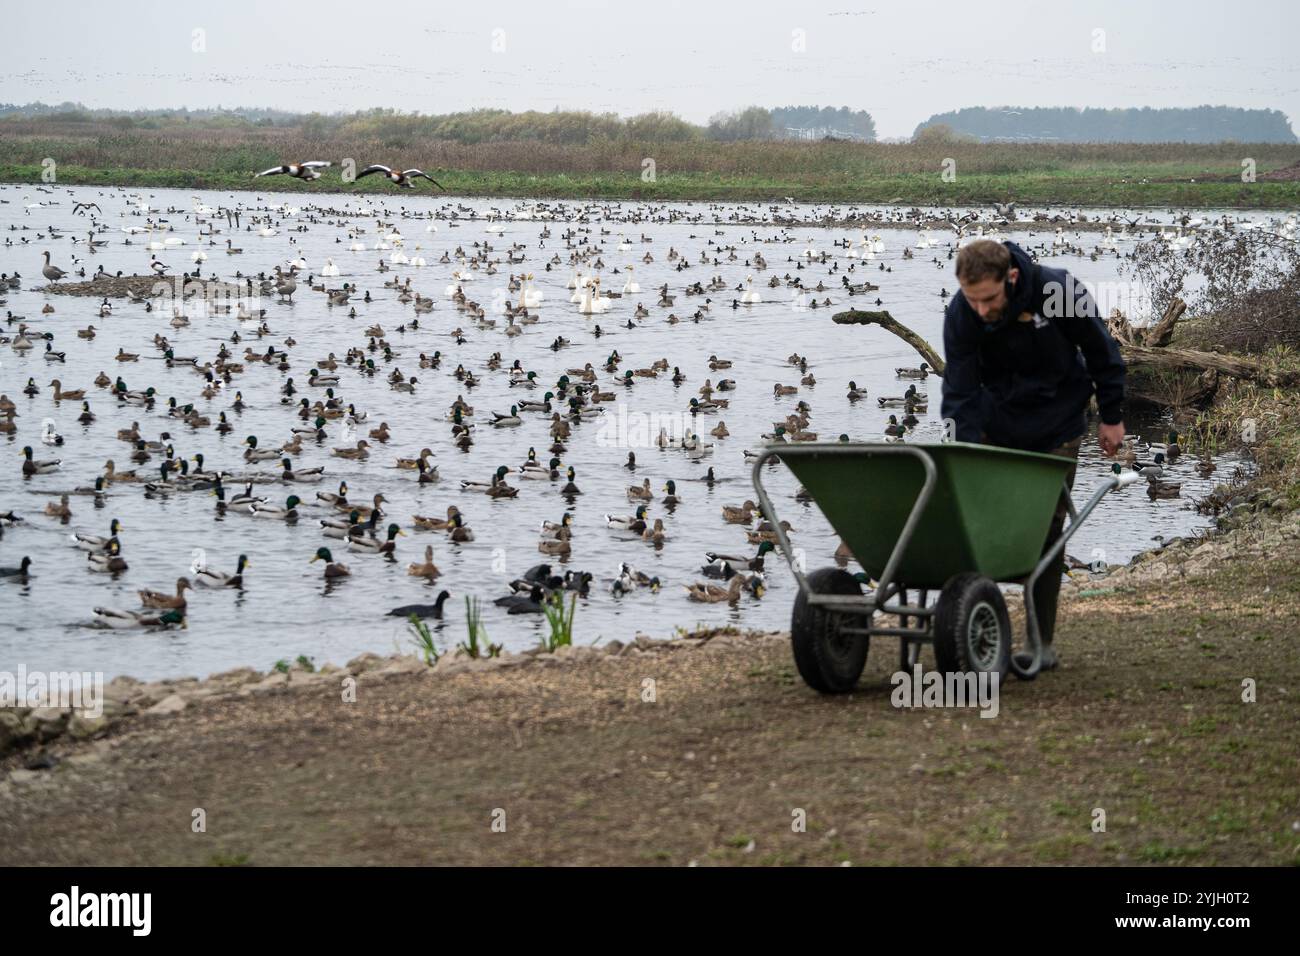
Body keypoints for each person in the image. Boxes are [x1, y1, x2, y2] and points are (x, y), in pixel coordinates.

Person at [940, 239, 1126, 670]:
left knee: (1045, 532)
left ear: (1011, 277)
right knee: (976, 524)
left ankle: (1039, 643)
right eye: (972, 299)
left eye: (989, 299)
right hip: (996, 424)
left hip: (1056, 425)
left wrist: (1112, 415)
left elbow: (1101, 351)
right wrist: (963, 448)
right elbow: (959, 392)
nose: (981, 309)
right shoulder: (962, 312)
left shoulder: (1057, 291)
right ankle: (974, 624)